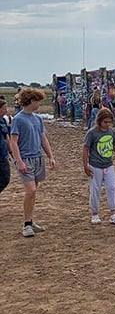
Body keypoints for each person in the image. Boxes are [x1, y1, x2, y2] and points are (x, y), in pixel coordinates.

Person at [9, 87, 56, 237]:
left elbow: (43, 138)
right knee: (31, 191)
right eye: (38, 101)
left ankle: (30, 221)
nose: (40, 104)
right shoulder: (18, 119)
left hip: (37, 158)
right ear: (31, 101)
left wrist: (50, 156)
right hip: (25, 159)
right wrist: (19, 161)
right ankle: (26, 225)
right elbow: (13, 142)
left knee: (33, 192)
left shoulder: (38, 119)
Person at [82, 108, 115, 224]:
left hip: (108, 164)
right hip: (95, 165)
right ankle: (94, 213)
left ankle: (113, 213)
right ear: (99, 121)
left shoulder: (111, 132)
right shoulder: (92, 133)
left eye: (110, 122)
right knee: (95, 189)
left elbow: (114, 146)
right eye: (105, 122)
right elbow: (85, 149)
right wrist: (85, 165)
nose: (108, 124)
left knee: (112, 188)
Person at [0, 97, 10, 195]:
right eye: (4, 108)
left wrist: (11, 152)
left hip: (3, 155)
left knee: (5, 179)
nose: (6, 110)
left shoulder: (3, 121)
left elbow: (7, 138)